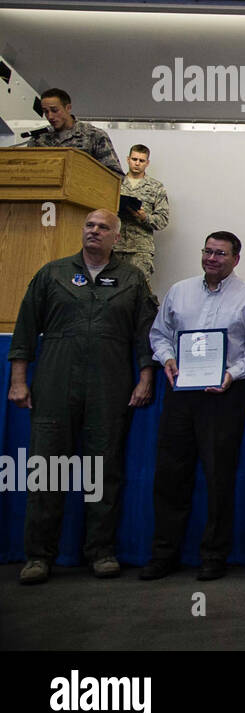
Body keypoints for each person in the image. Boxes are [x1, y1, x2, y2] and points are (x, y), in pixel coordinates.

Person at [8, 210, 155, 585]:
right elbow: (25, 329)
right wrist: (18, 380)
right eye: (89, 226)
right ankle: (39, 556)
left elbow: (145, 336)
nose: (94, 231)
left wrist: (145, 378)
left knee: (104, 471)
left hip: (109, 385)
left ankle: (101, 551)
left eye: (103, 227)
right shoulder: (52, 274)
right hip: (56, 382)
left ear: (116, 238)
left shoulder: (132, 279)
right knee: (47, 471)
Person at [140, 231, 245, 582]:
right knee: (170, 476)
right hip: (180, 394)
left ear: (235, 259)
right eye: (208, 251)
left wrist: (232, 374)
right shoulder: (179, 291)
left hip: (224, 396)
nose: (212, 258)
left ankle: (214, 556)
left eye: (221, 254)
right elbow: (159, 335)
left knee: (219, 478)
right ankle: (163, 555)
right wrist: (167, 359)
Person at [28, 88, 123, 174]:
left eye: (54, 110)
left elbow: (115, 175)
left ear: (68, 108)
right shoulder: (39, 139)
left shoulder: (93, 135)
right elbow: (26, 171)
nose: (50, 116)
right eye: (46, 111)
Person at [117, 144, 170, 286]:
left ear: (147, 163)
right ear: (128, 160)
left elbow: (163, 220)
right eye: (134, 159)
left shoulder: (155, 187)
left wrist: (144, 217)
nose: (137, 163)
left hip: (140, 249)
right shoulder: (115, 182)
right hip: (114, 246)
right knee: (111, 288)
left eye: (141, 160)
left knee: (139, 289)